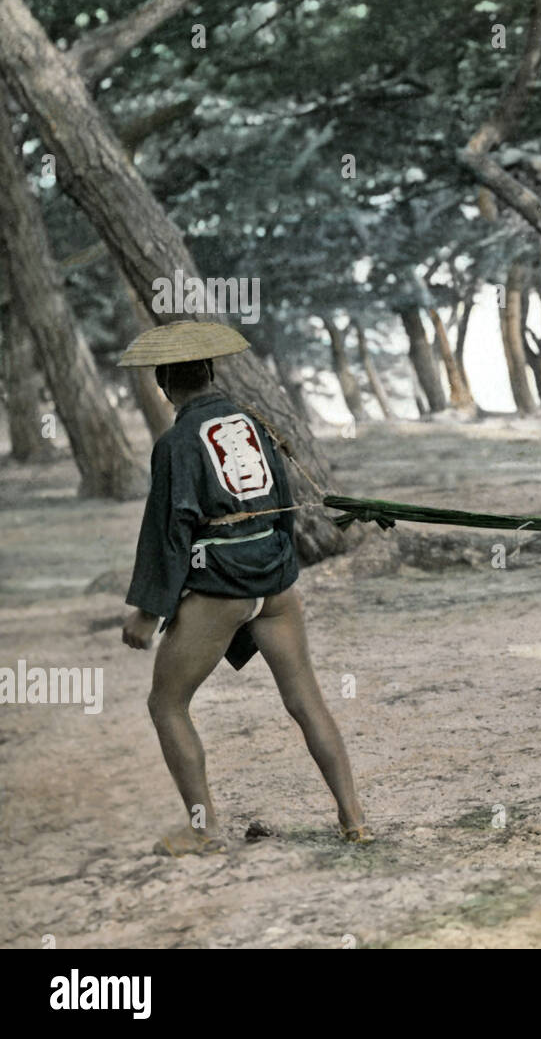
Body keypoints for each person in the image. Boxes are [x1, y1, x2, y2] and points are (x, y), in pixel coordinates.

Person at [119, 322, 372, 855]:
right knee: (307, 701)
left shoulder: (176, 442)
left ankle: (204, 830)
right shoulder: (254, 425)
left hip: (222, 589)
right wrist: (276, 566)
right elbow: (282, 504)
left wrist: (148, 611)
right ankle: (354, 820)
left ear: (165, 384)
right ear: (210, 372)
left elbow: (169, 529)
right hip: (276, 583)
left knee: (166, 704)